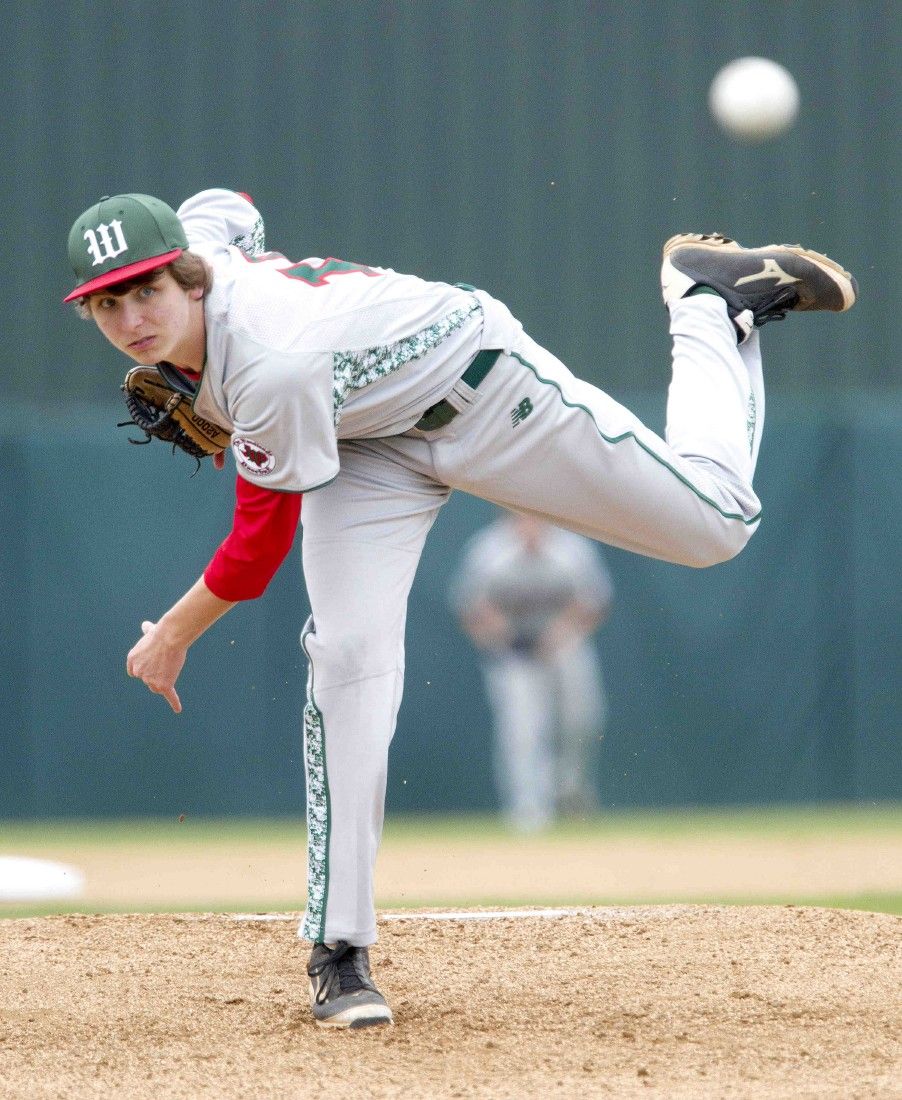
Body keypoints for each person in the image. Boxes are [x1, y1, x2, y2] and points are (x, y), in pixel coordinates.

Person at [64, 188, 857, 1029]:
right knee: (347, 658)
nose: (131, 317)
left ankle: (707, 303)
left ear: (189, 279)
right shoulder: (201, 249)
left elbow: (254, 554)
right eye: (106, 302)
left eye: (147, 289)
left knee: (718, 526)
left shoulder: (272, 363)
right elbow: (228, 205)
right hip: (364, 450)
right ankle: (339, 950)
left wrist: (171, 637)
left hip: (481, 391)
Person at [452, 511, 613, 831]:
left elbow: (595, 604)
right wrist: (501, 636)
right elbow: (470, 609)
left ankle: (571, 789)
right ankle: (528, 809)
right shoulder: (489, 549)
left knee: (583, 719)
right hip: (513, 653)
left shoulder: (571, 548)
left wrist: (559, 633)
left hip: (565, 647)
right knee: (522, 731)